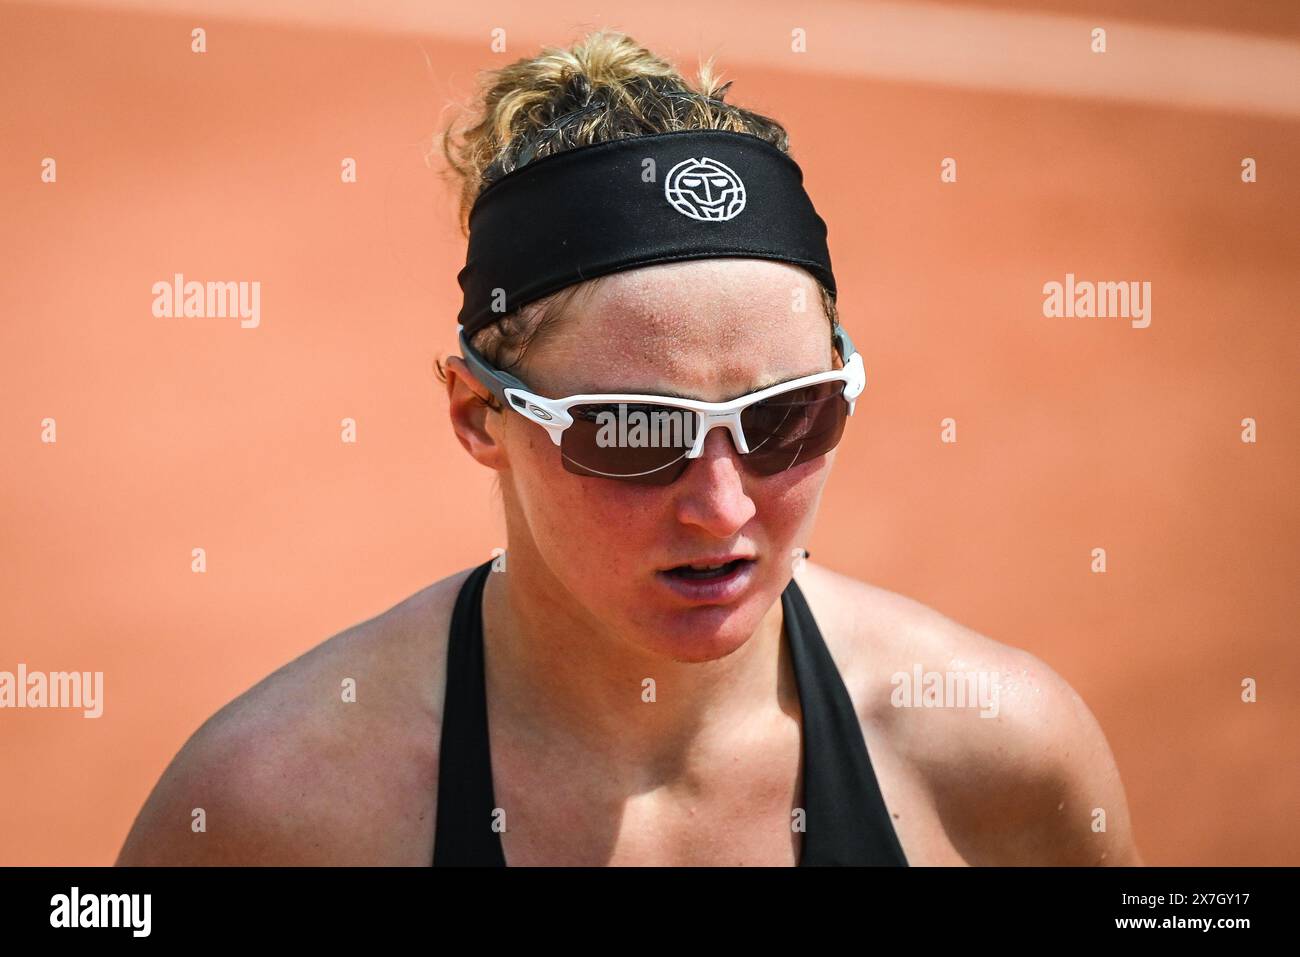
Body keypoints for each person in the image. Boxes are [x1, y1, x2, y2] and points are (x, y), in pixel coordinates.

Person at [115, 30, 1143, 867]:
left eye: (787, 417)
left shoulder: (999, 754)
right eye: (636, 433)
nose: (723, 509)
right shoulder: (276, 814)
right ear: (480, 414)